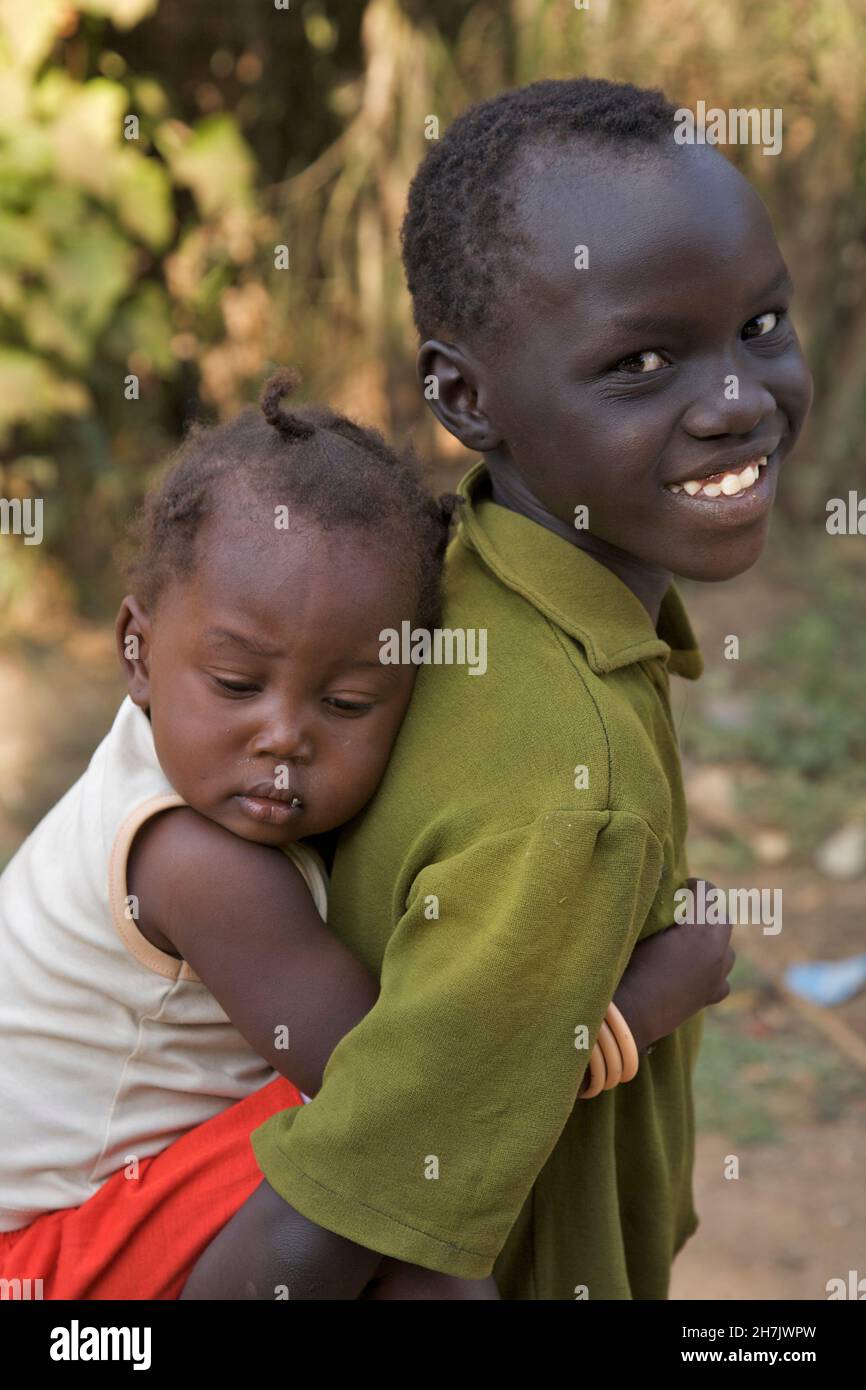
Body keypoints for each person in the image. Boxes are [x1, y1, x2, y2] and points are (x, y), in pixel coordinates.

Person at [181, 75, 812, 1301]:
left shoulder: (446, 580)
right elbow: (328, 1221)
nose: (736, 402)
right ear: (465, 397)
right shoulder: (572, 789)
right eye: (639, 360)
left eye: (759, 327)